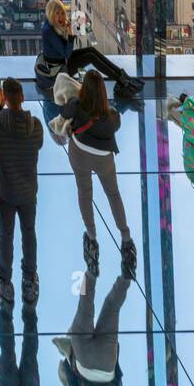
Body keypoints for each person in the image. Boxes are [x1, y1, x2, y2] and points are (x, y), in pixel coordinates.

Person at [61, 71, 137, 280]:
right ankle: (126, 239)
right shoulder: (112, 116)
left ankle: (92, 237)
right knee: (113, 194)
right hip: (104, 158)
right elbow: (115, 125)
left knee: (84, 193)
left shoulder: (76, 105)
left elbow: (63, 111)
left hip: (79, 153)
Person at [0, 78, 44, 307]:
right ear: (22, 97)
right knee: (29, 233)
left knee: (6, 235)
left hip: (6, 192)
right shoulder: (35, 126)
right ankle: (29, 281)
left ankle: (5, 281)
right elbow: (38, 145)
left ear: (4, 97)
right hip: (28, 191)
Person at [37, 0, 143, 99]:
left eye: (62, 13)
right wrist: (71, 36)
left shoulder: (52, 24)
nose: (61, 17)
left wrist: (70, 29)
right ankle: (121, 81)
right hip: (58, 71)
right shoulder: (48, 31)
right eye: (57, 13)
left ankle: (122, 75)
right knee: (90, 57)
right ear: (51, 13)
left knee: (91, 51)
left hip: (61, 61)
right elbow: (66, 54)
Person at [54, 275, 130, 386]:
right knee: (85, 306)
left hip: (108, 363)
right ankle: (90, 272)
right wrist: (67, 367)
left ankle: (126, 277)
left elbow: (118, 381)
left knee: (112, 306)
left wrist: (115, 350)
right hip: (85, 363)